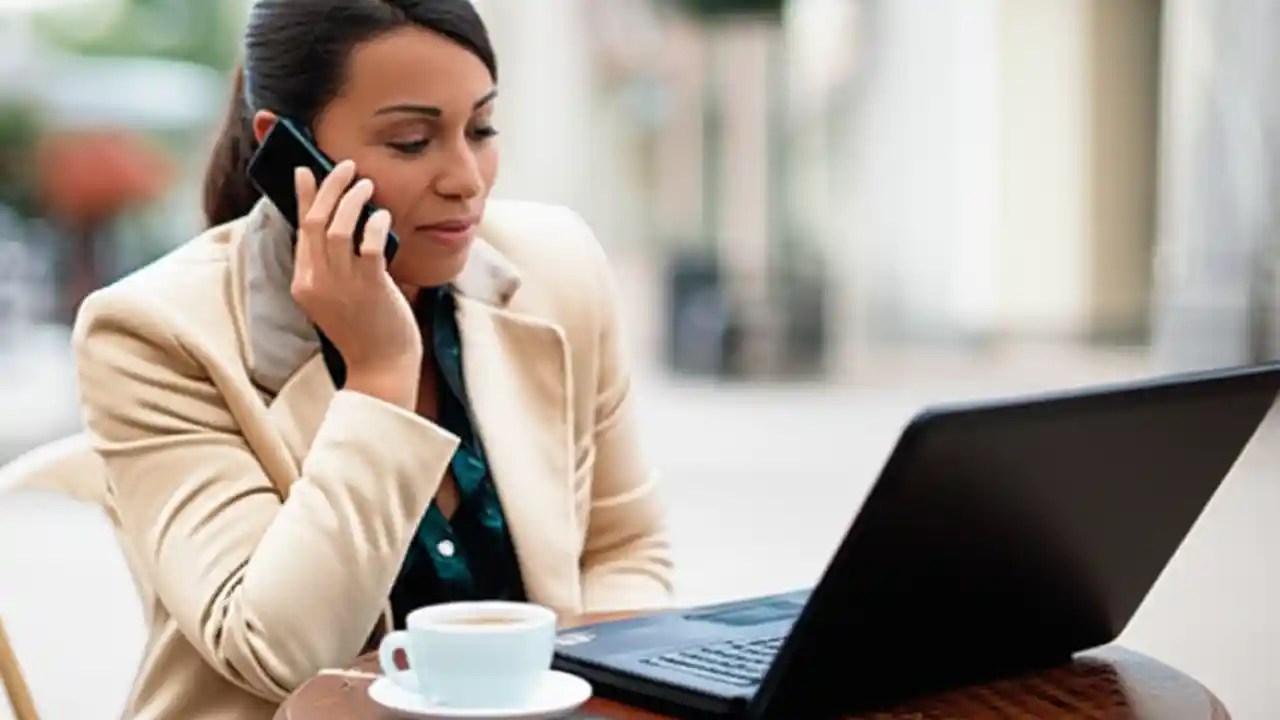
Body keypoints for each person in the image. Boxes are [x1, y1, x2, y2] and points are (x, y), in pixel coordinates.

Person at [70, 2, 674, 718]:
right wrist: (381, 373)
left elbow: (624, 551)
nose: (466, 179)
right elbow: (279, 651)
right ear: (287, 145)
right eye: (413, 141)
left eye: (480, 129)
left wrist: (586, 706)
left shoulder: (556, 266)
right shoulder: (153, 332)